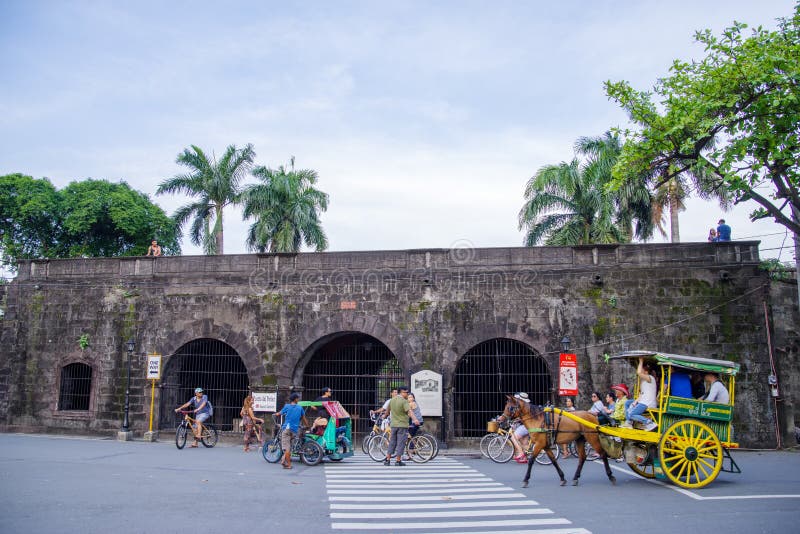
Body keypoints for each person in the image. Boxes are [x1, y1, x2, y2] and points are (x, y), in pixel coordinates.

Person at [384, 386, 420, 466]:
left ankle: (387, 460)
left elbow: (387, 411)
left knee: (392, 442)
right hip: (402, 425)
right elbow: (409, 411)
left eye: (407, 392)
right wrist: (415, 420)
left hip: (393, 425)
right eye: (406, 392)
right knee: (401, 443)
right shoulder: (404, 401)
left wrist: (384, 416)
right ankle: (398, 460)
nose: (407, 394)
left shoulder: (392, 400)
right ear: (401, 392)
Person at [624, 357, 658, 431]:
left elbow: (639, 373)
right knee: (627, 403)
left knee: (632, 414)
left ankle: (649, 423)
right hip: (642, 401)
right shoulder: (643, 381)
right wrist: (635, 402)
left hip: (647, 402)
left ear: (646, 371)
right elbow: (641, 394)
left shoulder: (650, 378)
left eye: (641, 368)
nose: (639, 370)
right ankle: (629, 422)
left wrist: (641, 361)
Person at [277, 392, 308, 469]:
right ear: (295, 399)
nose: (298, 399)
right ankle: (283, 460)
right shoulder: (300, 408)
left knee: (286, 448)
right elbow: (304, 418)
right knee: (289, 446)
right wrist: (307, 426)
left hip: (287, 429)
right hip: (294, 430)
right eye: (298, 398)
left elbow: (279, 413)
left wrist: (276, 414)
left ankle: (289, 465)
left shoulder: (287, 406)